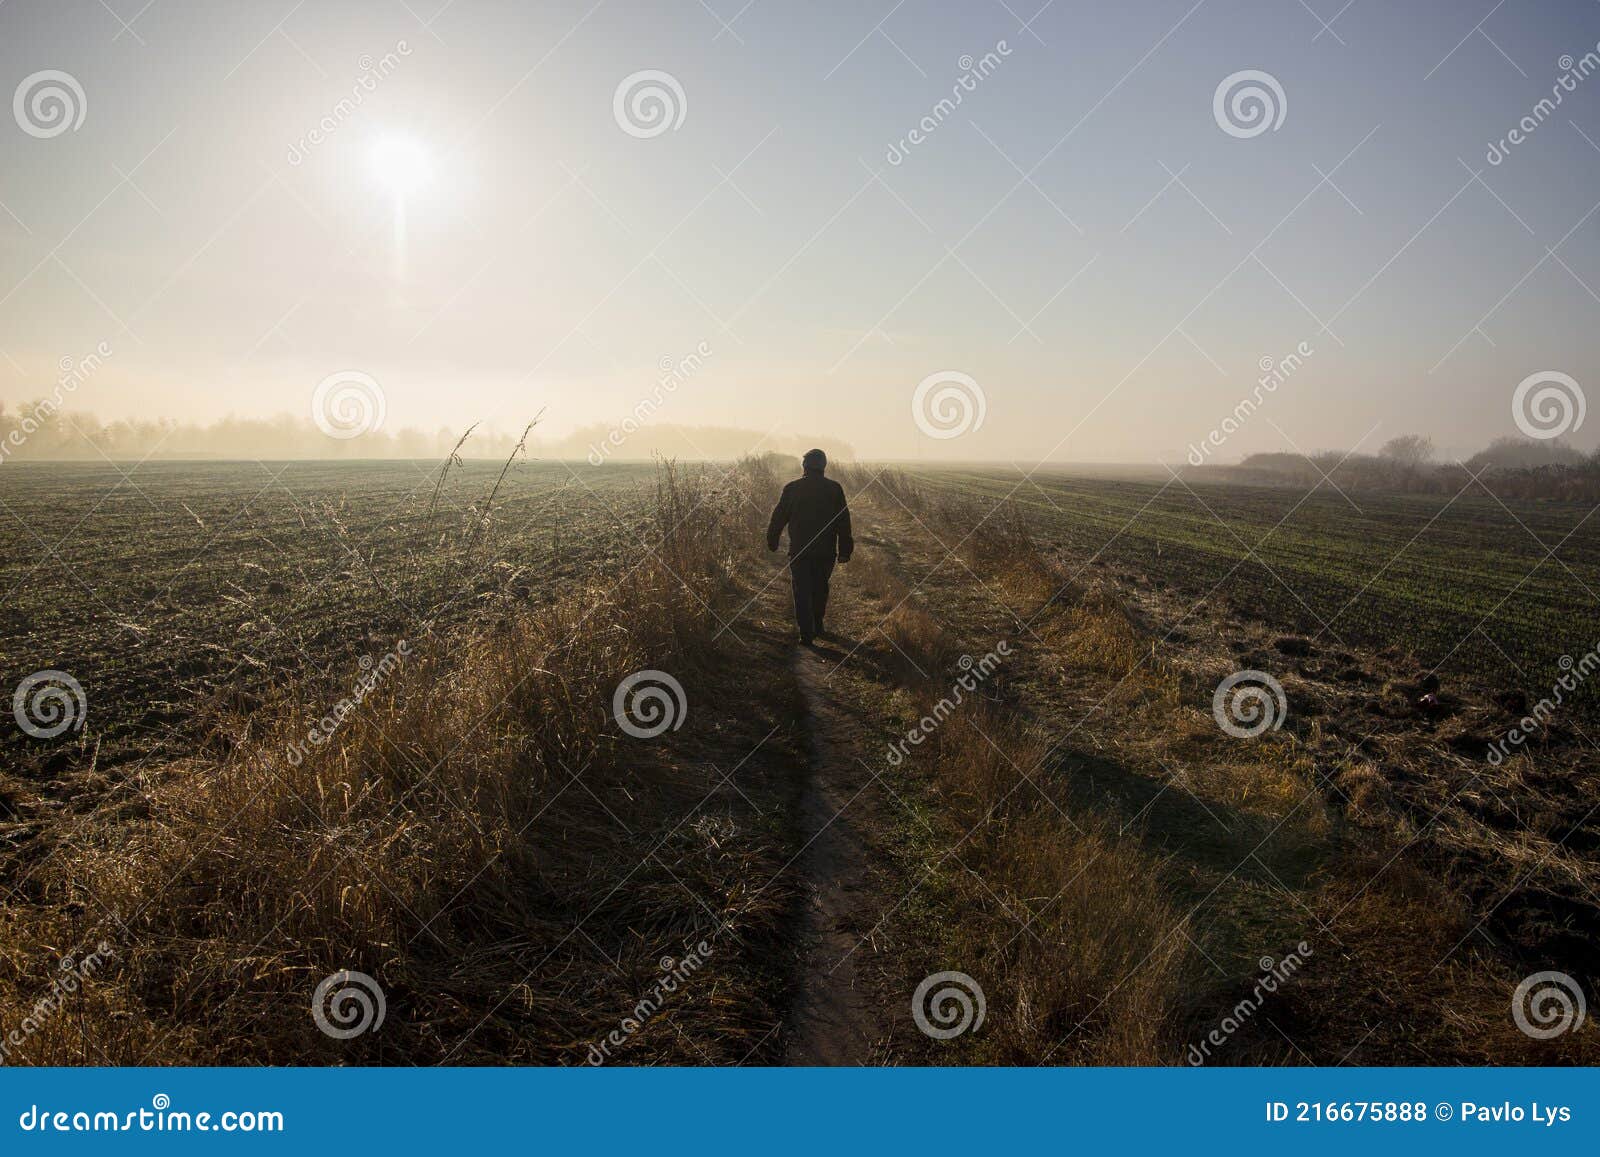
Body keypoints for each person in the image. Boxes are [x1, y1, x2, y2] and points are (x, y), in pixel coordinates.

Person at [766, 448, 852, 645]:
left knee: (801, 590)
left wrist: (773, 539)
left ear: (804, 466)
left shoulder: (792, 489)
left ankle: (806, 634)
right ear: (824, 466)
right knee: (820, 588)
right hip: (826, 552)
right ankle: (818, 625)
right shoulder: (834, 489)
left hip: (800, 550)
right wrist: (845, 551)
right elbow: (843, 522)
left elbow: (778, 517)